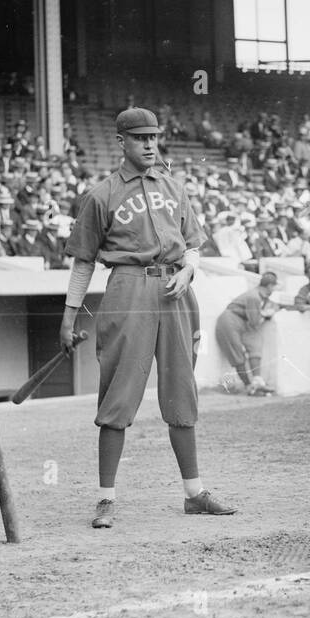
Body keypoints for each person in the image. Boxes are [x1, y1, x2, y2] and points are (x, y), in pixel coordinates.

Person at [60, 108, 236, 529]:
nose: (151, 144)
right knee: (118, 395)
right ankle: (106, 498)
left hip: (175, 288)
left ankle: (194, 493)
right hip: (128, 287)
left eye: (155, 137)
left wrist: (189, 270)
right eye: (141, 138)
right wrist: (68, 318)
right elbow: (83, 263)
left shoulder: (174, 187)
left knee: (181, 390)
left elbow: (192, 244)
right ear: (121, 142)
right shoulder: (101, 195)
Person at [214, 272, 280, 395]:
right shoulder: (254, 296)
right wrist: (266, 314)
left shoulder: (259, 296)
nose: (274, 289)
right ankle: (249, 387)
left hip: (241, 321)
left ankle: (257, 383)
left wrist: (272, 309)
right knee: (237, 354)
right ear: (269, 286)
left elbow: (271, 305)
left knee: (254, 345)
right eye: (273, 286)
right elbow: (255, 322)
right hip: (229, 320)